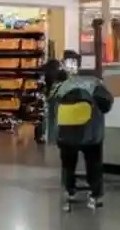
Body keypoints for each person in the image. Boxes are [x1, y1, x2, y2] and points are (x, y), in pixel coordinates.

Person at [44, 55, 114, 210]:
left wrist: (53, 137)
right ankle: (95, 194)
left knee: (68, 163)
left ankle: (70, 191)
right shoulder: (94, 83)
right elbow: (107, 104)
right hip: (91, 132)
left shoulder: (59, 88)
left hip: (66, 132)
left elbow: (52, 113)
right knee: (94, 162)